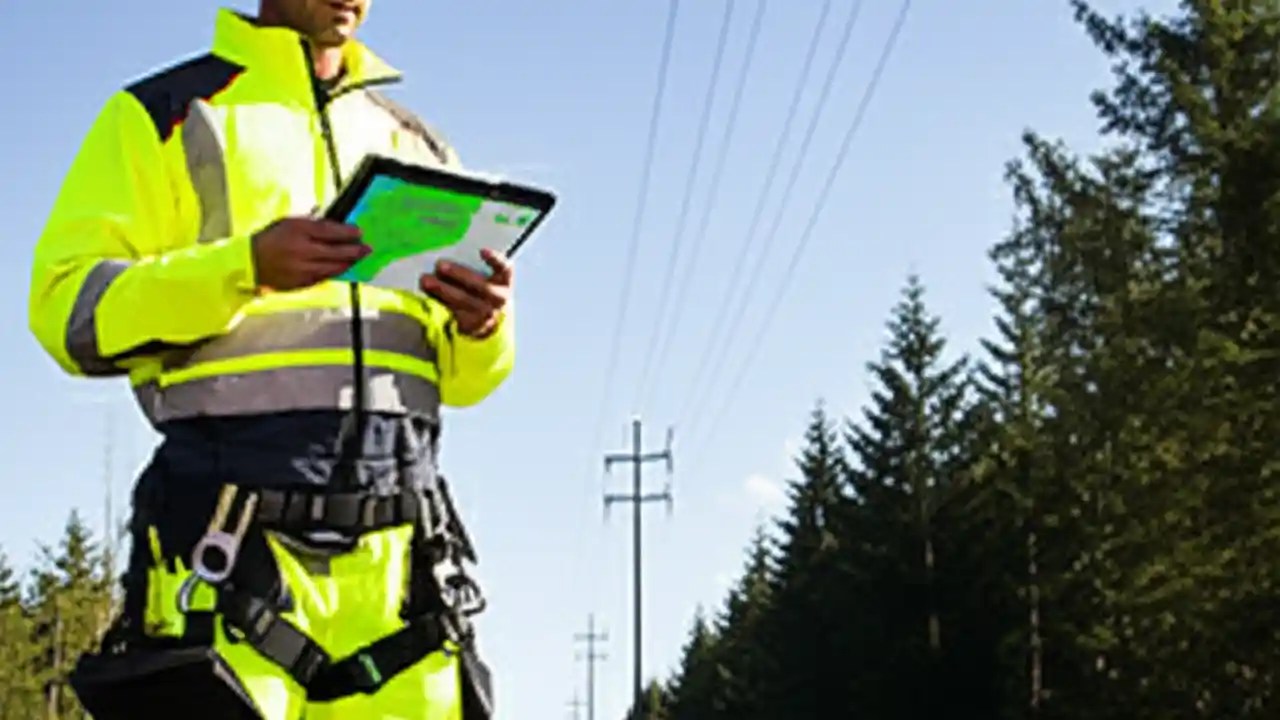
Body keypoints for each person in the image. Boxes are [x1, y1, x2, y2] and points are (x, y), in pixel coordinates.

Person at [26, 1, 512, 718]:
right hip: (227, 560)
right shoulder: (160, 116)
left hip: (405, 588)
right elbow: (68, 311)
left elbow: (467, 384)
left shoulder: (417, 144)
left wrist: (485, 327)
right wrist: (242, 266)